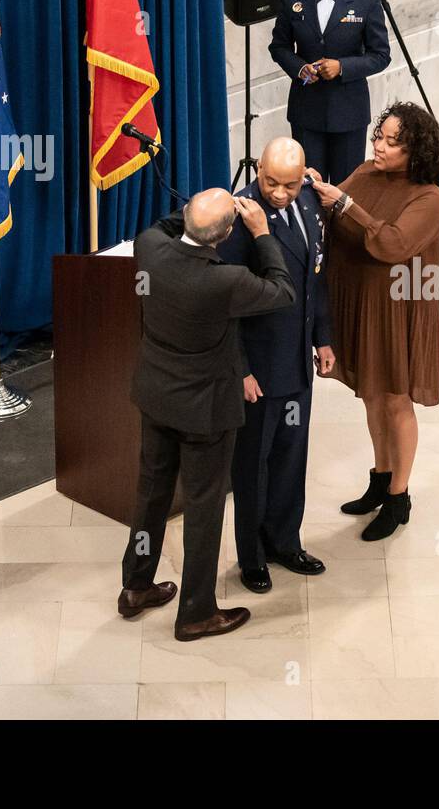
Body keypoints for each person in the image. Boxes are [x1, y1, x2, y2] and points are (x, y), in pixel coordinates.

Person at [117, 188, 295, 641]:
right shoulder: (226, 280)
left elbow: (163, 226)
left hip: (156, 396)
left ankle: (136, 586)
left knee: (152, 492)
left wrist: (197, 210)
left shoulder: (149, 249)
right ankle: (196, 612)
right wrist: (262, 232)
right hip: (205, 411)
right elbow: (282, 289)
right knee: (203, 507)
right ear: (227, 234)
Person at [309, 102, 439, 541]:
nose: (380, 148)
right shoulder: (367, 172)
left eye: (392, 142)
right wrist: (317, 190)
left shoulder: (428, 196)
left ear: (416, 149)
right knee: (371, 395)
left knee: (394, 399)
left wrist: (348, 205)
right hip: (360, 299)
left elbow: (391, 244)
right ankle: (380, 477)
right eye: (379, 138)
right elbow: (333, 209)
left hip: (396, 307)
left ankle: (399, 496)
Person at [218, 138, 333, 593]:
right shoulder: (239, 217)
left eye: (290, 183)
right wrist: (240, 369)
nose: (280, 193)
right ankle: (252, 557)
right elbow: (226, 305)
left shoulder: (307, 198)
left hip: (297, 364)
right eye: (271, 182)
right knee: (253, 466)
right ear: (257, 169)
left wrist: (323, 338)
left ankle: (285, 541)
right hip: (258, 371)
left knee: (291, 459)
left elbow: (314, 277)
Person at [269, 0, 391, 186]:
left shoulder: (366, 0)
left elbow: (380, 55)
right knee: (308, 187)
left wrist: (342, 67)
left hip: (349, 112)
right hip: (307, 109)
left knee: (345, 188)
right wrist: (300, 68)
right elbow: (279, 46)